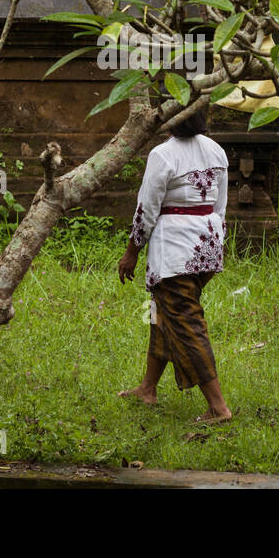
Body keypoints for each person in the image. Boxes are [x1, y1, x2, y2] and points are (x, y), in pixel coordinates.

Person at [117, 108, 232, 423]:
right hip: (207, 250)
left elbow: (146, 210)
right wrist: (213, 242)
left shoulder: (162, 154)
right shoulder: (216, 150)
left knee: (185, 324)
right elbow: (220, 207)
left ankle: (218, 407)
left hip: (174, 255)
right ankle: (147, 389)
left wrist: (131, 253)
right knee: (163, 316)